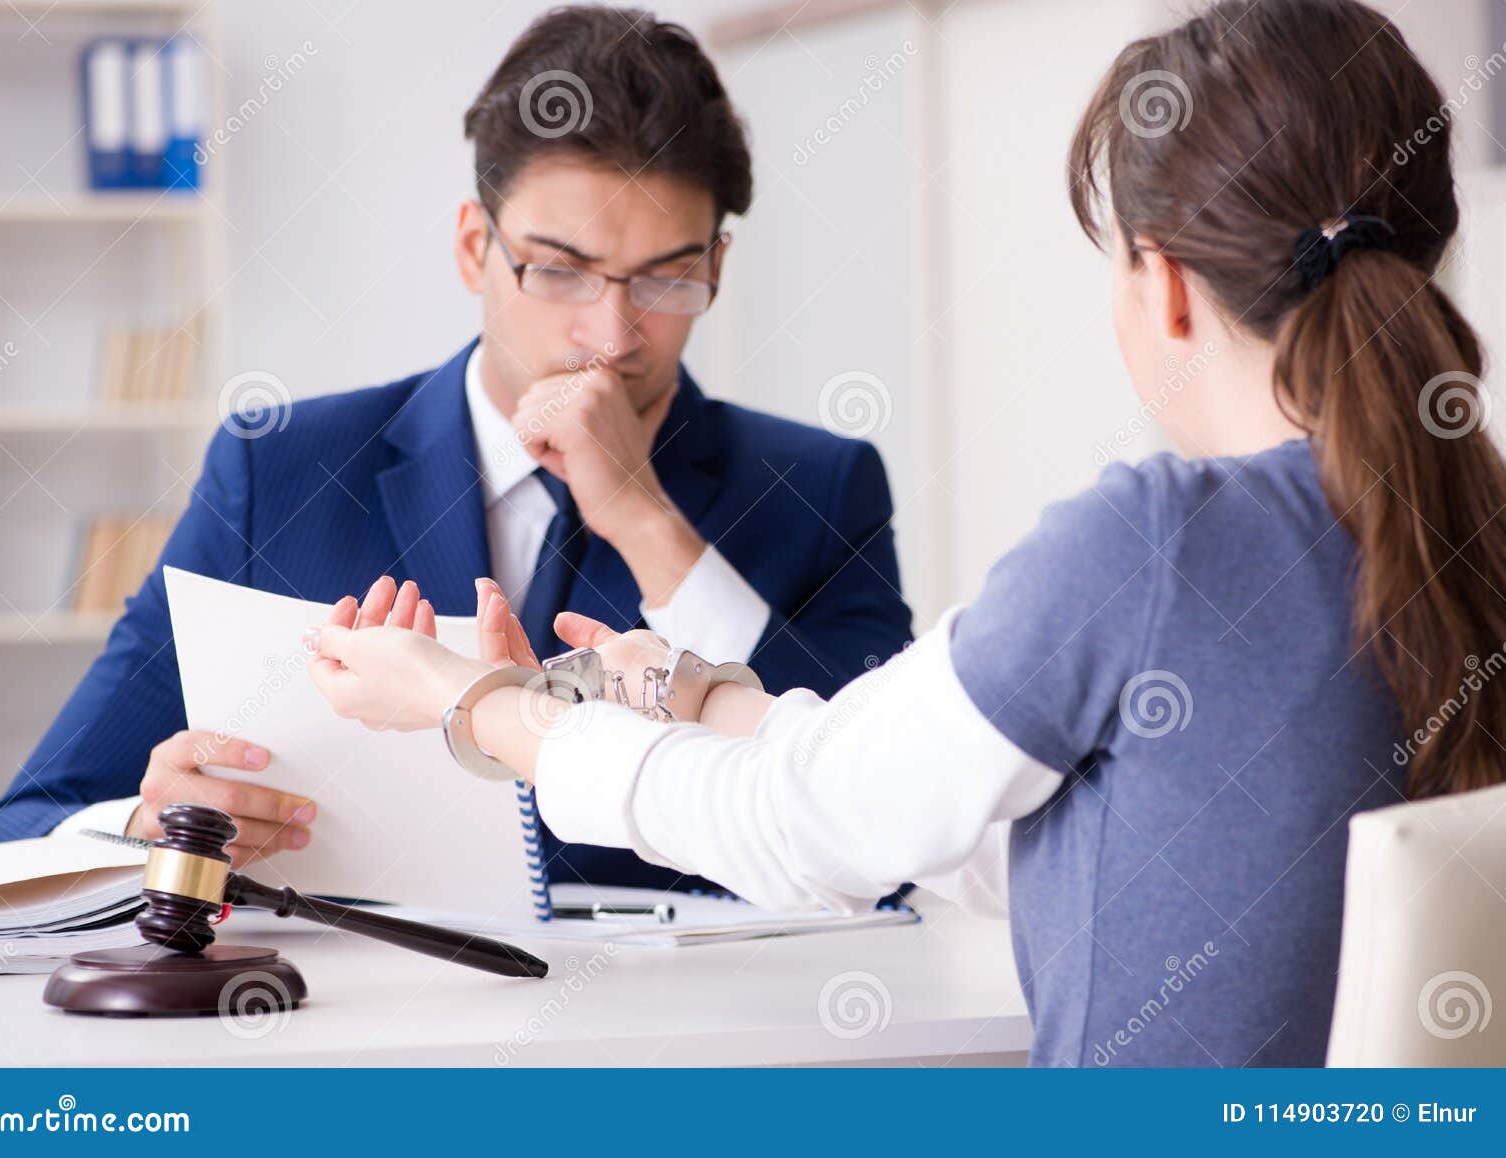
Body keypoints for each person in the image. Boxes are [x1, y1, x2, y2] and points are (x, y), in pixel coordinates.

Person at [302, 0, 1506, 1066]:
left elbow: (803, 826)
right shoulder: (1469, 527)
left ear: (1165, 283)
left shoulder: (1151, 546)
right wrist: (705, 700)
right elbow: (994, 816)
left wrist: (479, 705)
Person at [0, 6, 913, 892]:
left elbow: (892, 832)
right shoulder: (280, 469)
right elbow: (24, 828)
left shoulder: (822, 489)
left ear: (716, 265)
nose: (612, 333)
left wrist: (643, 518)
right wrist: (149, 825)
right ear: (475, 249)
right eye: (559, 271)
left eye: (667, 279)